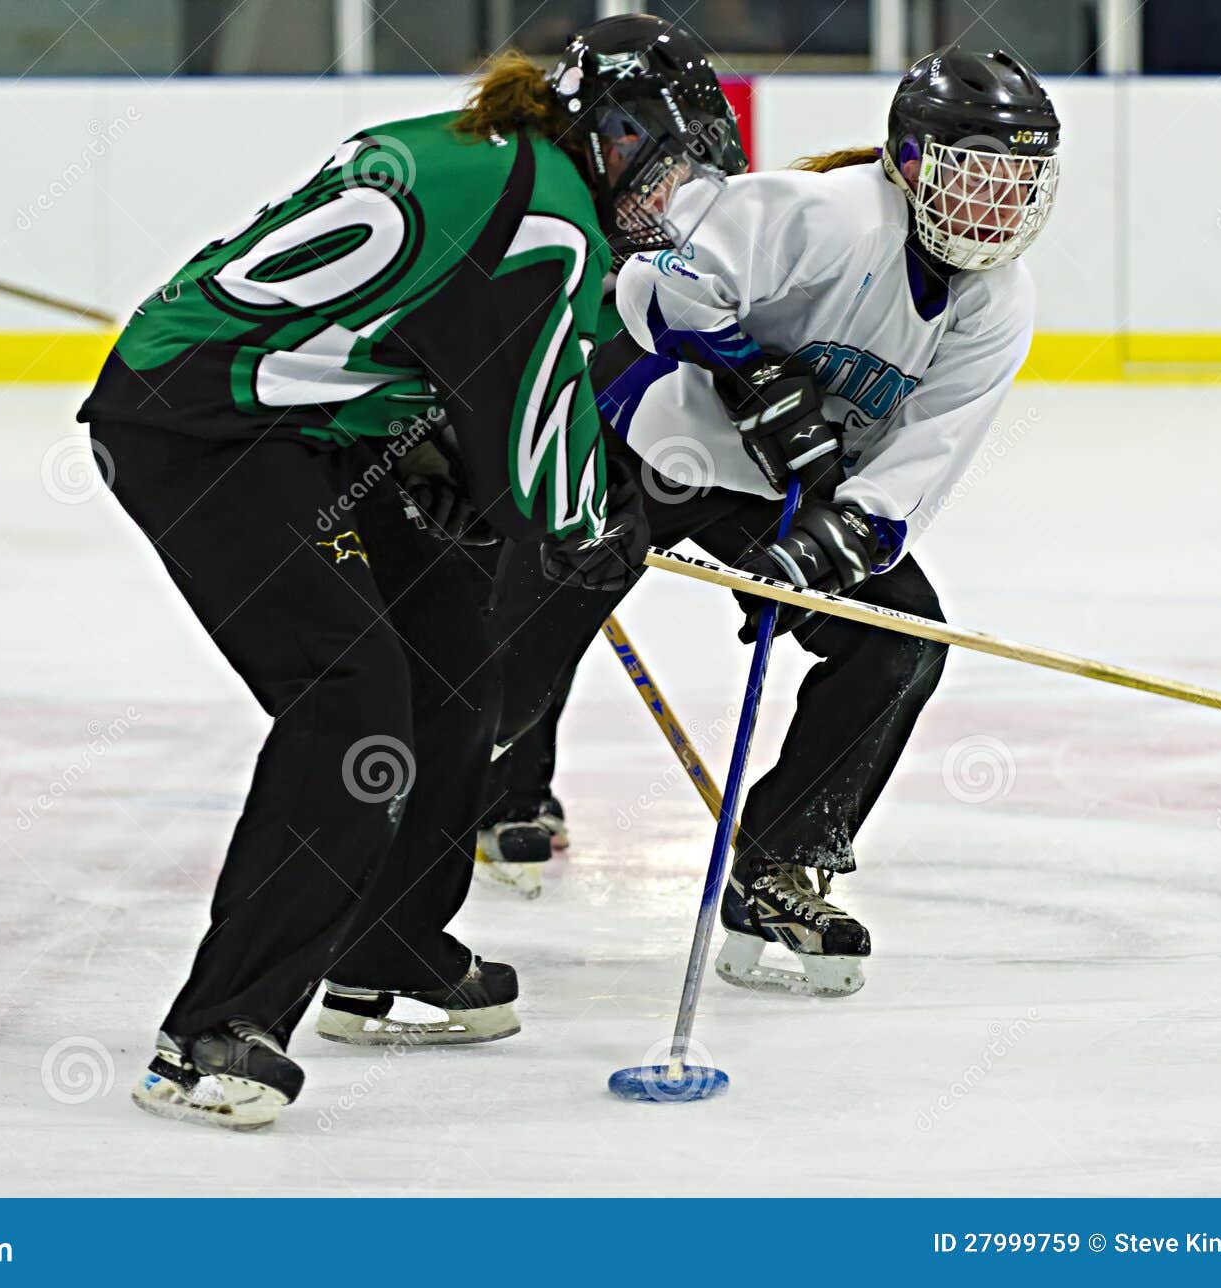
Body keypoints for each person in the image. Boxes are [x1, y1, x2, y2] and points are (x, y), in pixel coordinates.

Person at [79, 14, 744, 1131]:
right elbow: (540, 448)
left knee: (449, 653)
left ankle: (384, 949)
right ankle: (212, 1030)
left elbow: (434, 346)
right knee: (349, 703)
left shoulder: (503, 161)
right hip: (203, 429)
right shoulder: (547, 212)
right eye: (658, 158)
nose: (665, 194)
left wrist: (433, 445)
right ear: (605, 130)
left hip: (306, 427)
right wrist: (592, 530)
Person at [485, 46, 1061, 996]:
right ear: (911, 162)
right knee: (508, 666)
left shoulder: (998, 303)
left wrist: (847, 537)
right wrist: (752, 374)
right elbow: (651, 288)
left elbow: (929, 447)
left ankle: (780, 863)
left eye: (1020, 184)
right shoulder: (821, 216)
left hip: (771, 487)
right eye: (978, 177)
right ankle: (462, 813)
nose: (999, 208)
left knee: (898, 639)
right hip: (643, 441)